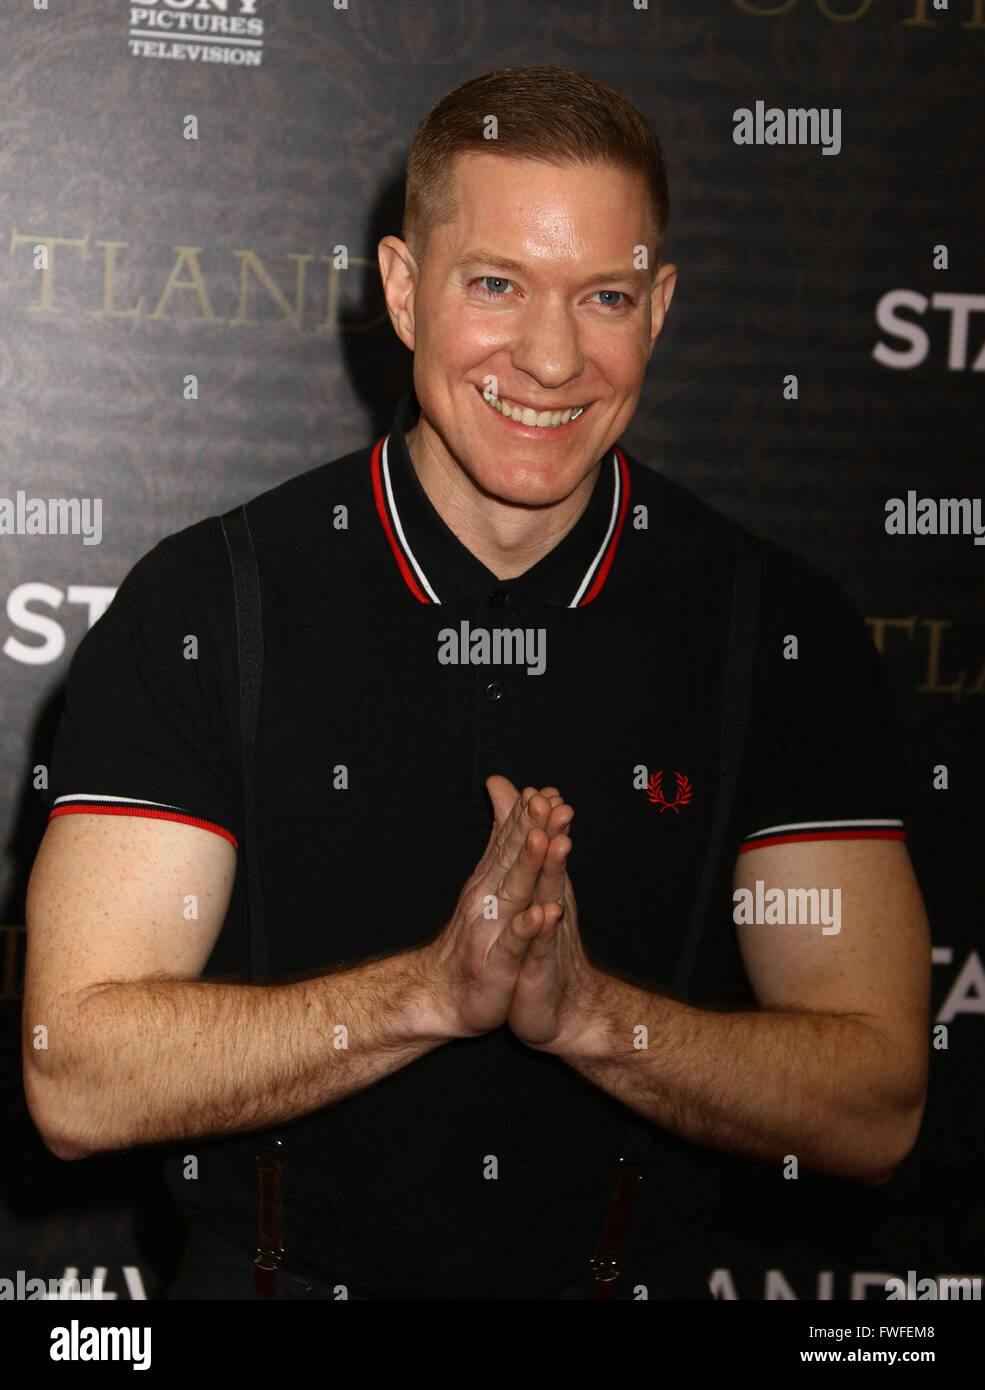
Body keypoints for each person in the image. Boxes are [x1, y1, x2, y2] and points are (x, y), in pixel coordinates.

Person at [22, 65, 930, 1301]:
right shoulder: (207, 605)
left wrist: (592, 1017)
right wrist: (430, 995)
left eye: (604, 296)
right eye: (496, 284)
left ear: (659, 308)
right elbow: (73, 1072)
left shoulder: (773, 631)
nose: (551, 358)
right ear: (404, 291)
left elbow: (877, 1102)